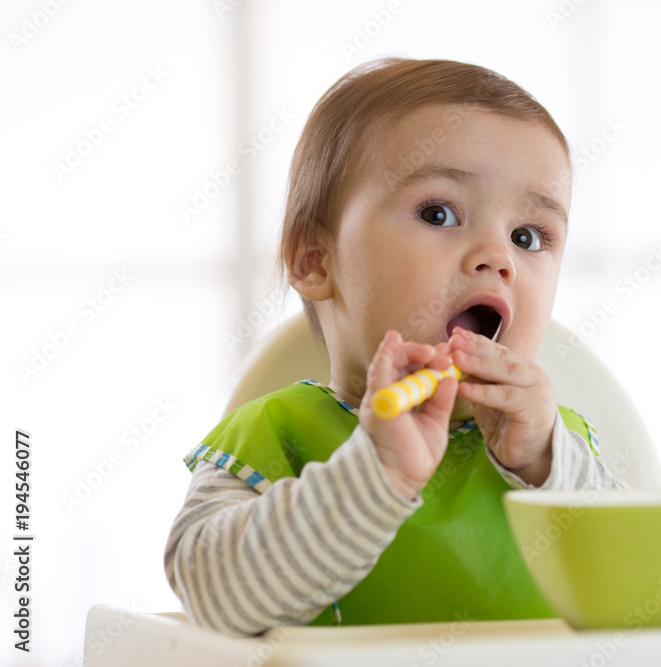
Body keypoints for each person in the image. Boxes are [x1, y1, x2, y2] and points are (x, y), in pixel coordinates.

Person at [163, 57, 629, 637]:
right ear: (315, 258)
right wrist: (374, 476)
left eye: (527, 236)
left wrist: (544, 462)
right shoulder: (273, 437)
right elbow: (215, 598)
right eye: (439, 213)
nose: (497, 257)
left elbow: (645, 590)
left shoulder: (557, 454)